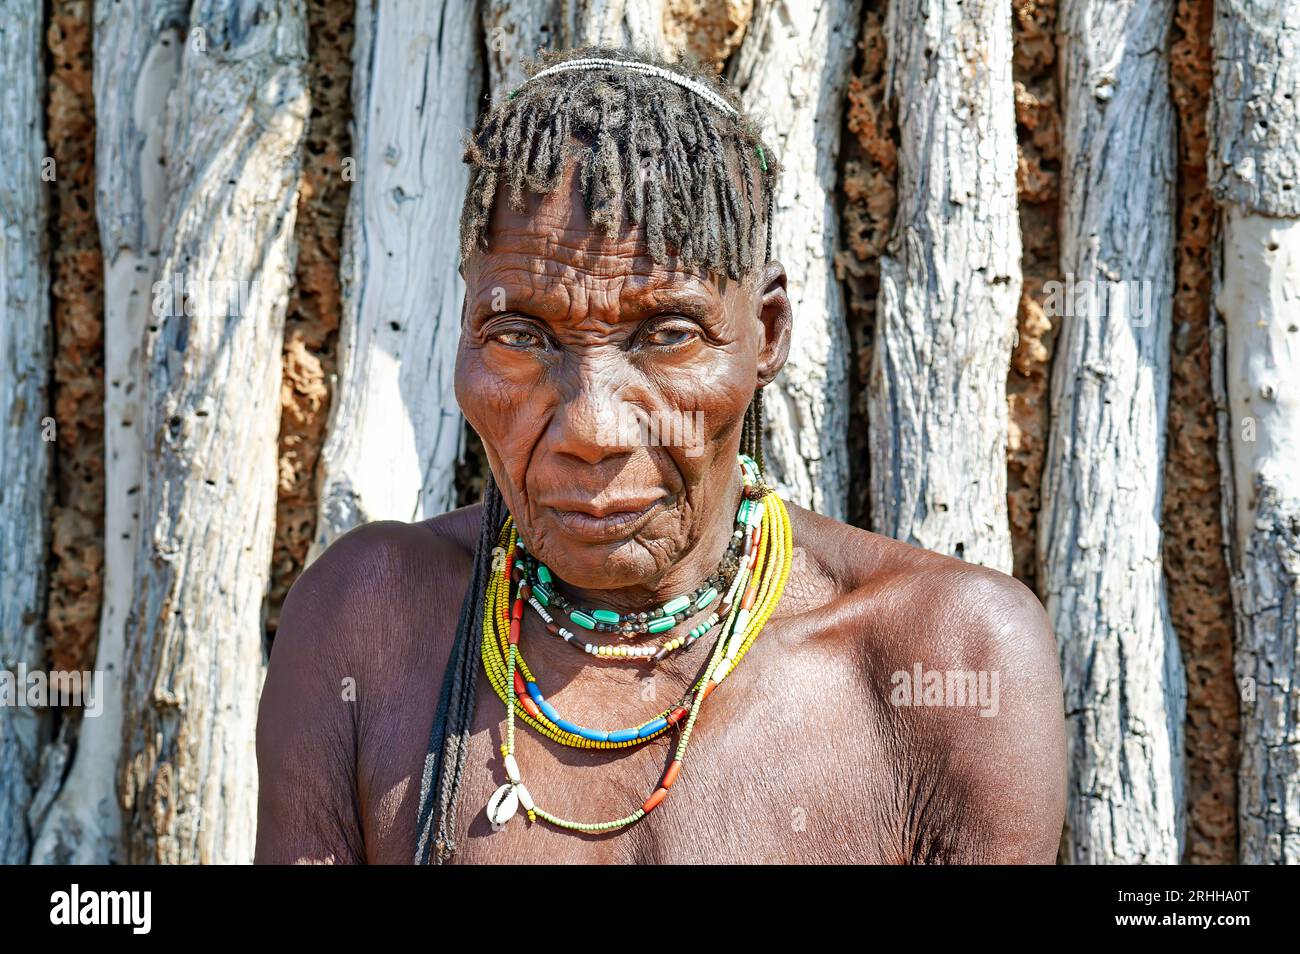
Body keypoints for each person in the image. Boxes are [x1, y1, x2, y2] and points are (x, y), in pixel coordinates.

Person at [254, 47, 1066, 864]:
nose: (592, 428)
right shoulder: (366, 624)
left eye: (666, 334)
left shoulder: (951, 664)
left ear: (767, 334)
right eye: (521, 336)